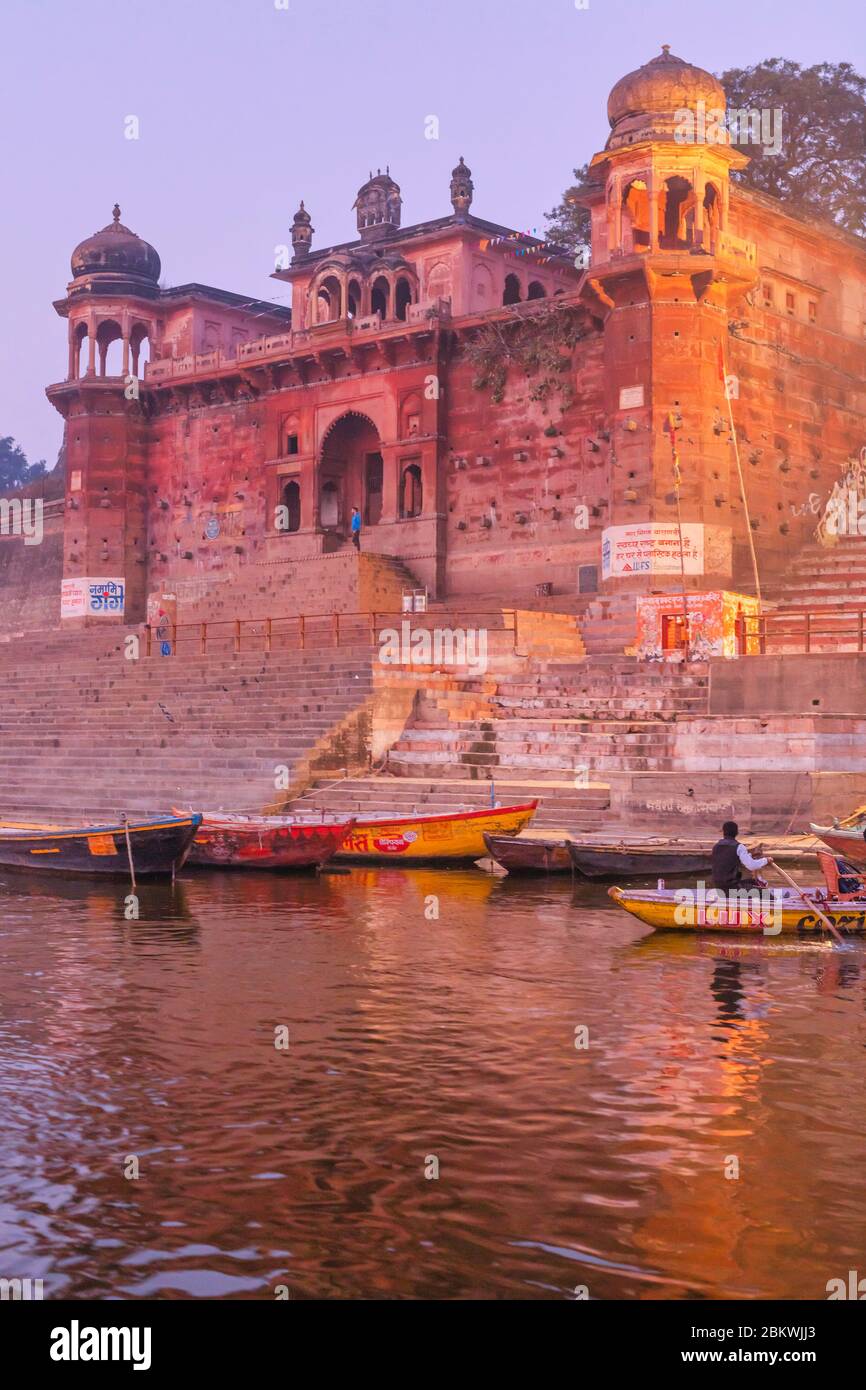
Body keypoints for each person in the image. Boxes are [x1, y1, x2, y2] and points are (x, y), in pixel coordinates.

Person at [711, 821, 769, 891]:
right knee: (763, 892)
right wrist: (766, 860)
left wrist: (749, 856)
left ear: (723, 832)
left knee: (754, 881)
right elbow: (751, 866)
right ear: (737, 833)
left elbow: (729, 858)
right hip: (732, 888)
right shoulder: (739, 847)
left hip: (719, 887)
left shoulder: (716, 846)